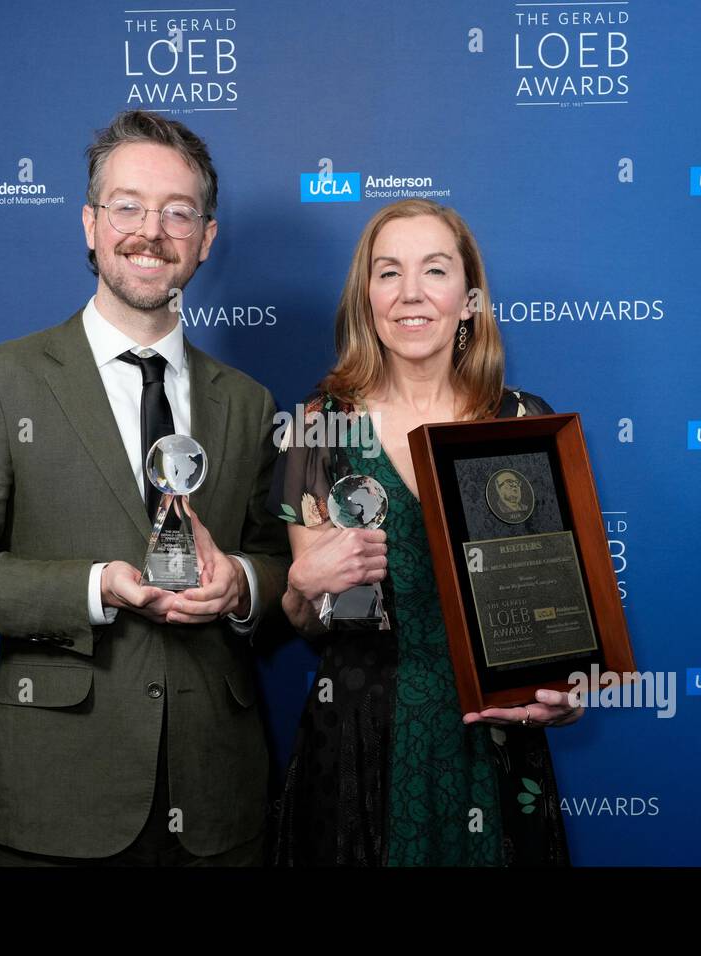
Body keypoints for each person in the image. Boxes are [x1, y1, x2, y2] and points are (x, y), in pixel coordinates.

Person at [0, 110, 289, 866]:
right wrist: (93, 587)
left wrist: (239, 585)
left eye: (178, 212)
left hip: (219, 800)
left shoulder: (247, 402)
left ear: (206, 239)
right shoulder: (2, 384)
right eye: (128, 207)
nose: (151, 231)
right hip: (61, 797)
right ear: (90, 224)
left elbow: (277, 560)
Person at [271, 199, 583, 866]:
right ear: (367, 296)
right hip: (361, 739)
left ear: (469, 299)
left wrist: (569, 693)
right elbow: (310, 616)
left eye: (434, 271)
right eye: (389, 273)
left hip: (495, 742)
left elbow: (560, 622)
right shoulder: (320, 425)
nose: (411, 293)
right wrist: (300, 587)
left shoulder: (523, 421)